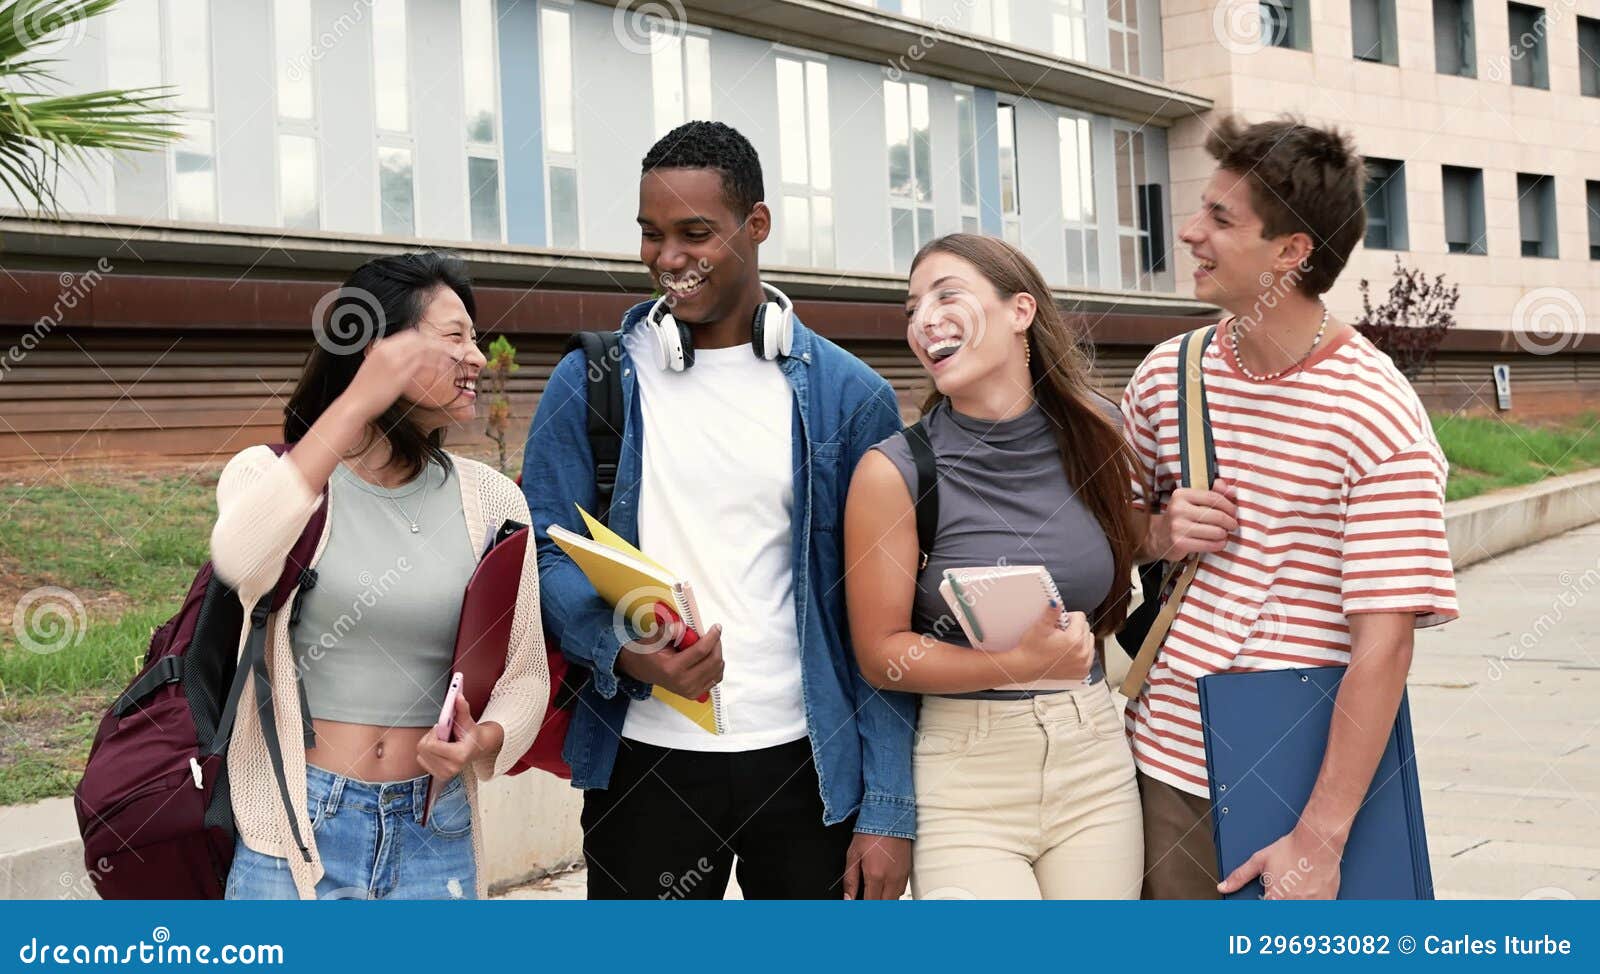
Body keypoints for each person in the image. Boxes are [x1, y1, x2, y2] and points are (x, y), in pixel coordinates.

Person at [521, 120, 916, 900]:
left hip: (809, 765)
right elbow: (545, 550)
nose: (668, 258)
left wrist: (890, 811)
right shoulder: (594, 379)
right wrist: (622, 650)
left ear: (756, 225)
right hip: (643, 760)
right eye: (651, 234)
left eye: (694, 233)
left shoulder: (852, 399)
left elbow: (883, 621)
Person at [1122, 116, 1459, 899]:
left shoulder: (1375, 413)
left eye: (1220, 218)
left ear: (1291, 252)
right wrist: (1156, 532)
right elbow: (1105, 536)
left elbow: (1384, 646)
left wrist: (1319, 837)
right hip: (1161, 759)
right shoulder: (1169, 375)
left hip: (1294, 770)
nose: (1189, 232)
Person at [212, 252, 549, 899]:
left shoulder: (493, 501)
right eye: (455, 337)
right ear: (378, 349)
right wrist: (358, 402)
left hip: (434, 828)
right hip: (295, 827)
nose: (476, 357)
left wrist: (486, 737)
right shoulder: (271, 476)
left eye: (475, 339)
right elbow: (239, 559)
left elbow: (526, 673)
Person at [845, 233, 1143, 899]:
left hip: (1093, 754)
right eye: (911, 308)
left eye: (947, 295)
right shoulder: (893, 472)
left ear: (1020, 311)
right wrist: (1020, 664)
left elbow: (1119, 546)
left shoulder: (1100, 430)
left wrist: (1166, 529)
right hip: (966, 776)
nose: (923, 319)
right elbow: (879, 654)